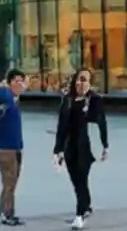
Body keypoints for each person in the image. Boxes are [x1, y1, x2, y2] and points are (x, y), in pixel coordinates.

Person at [53, 69, 110, 230]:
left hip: (85, 147)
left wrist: (105, 146)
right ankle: (86, 205)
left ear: (90, 83)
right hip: (70, 147)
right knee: (76, 181)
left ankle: (79, 215)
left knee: (82, 180)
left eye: (85, 80)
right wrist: (57, 149)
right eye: (79, 79)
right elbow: (61, 126)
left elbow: (100, 122)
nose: (80, 83)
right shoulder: (68, 99)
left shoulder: (94, 100)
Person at [0, 69, 27, 226]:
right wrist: (2, 88)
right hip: (4, 147)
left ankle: (0, 207)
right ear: (9, 82)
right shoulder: (5, 95)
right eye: (16, 81)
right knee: (10, 180)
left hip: (13, 146)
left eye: (22, 81)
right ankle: (8, 213)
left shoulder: (13, 98)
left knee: (11, 179)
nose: (20, 85)